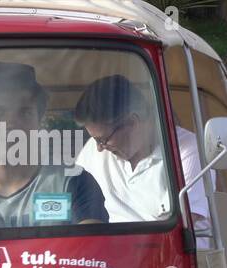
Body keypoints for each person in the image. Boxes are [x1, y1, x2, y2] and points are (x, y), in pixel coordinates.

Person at [74, 75, 214, 239]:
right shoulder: (93, 148)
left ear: (132, 122)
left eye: (103, 140)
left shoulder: (190, 151)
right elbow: (74, 201)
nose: (99, 148)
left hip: (173, 257)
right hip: (109, 256)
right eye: (95, 140)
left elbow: (181, 227)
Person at [0, 62, 108, 228]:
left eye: (24, 112)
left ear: (39, 120)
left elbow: (93, 249)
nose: (11, 123)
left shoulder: (75, 183)